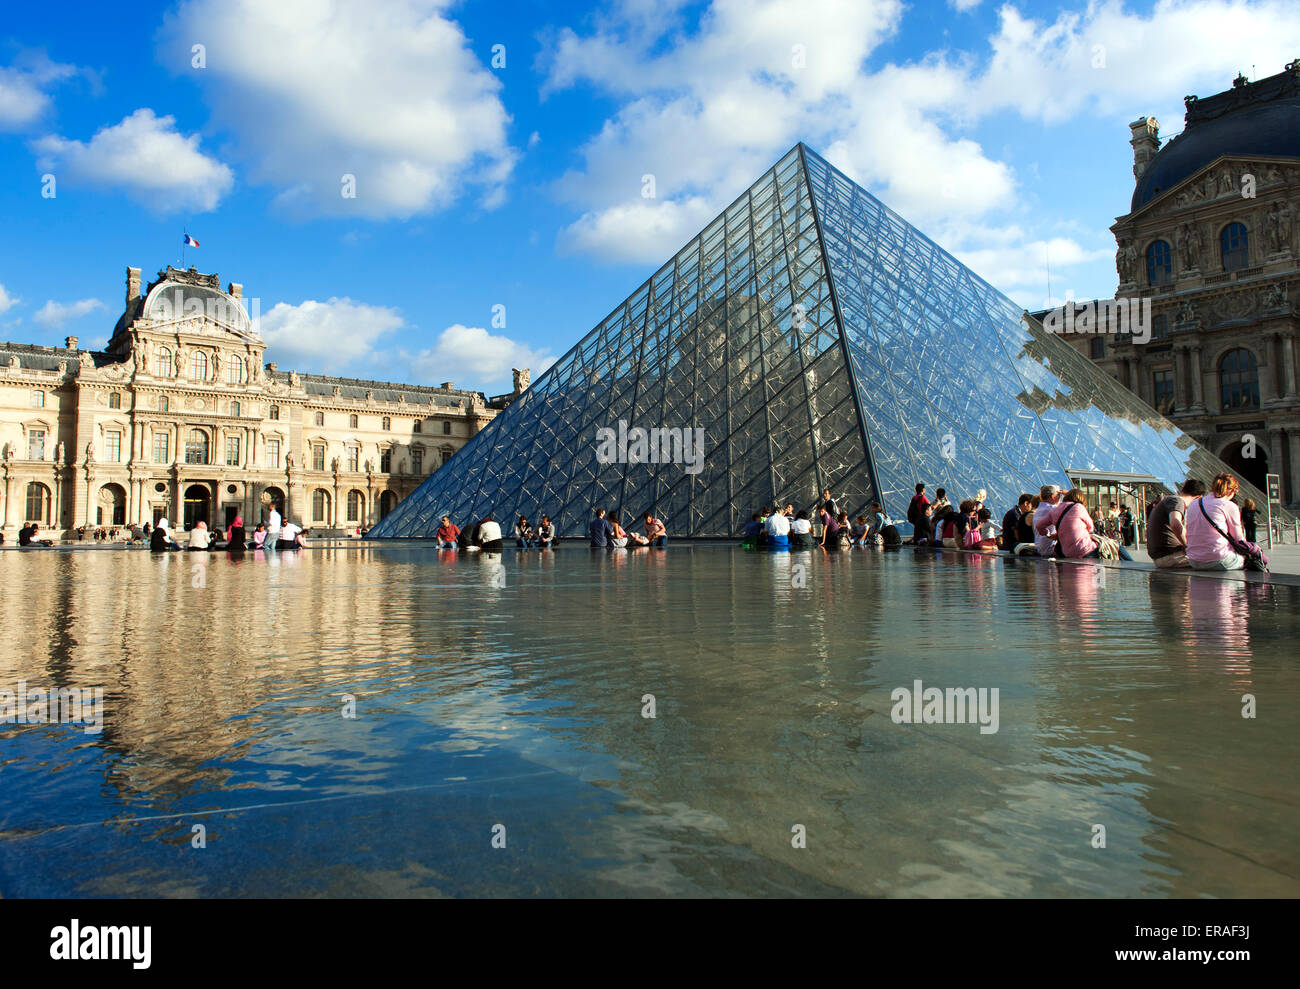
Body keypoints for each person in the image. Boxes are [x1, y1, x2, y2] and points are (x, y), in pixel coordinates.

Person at [1037, 488, 1134, 560]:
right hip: (1085, 550)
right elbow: (1090, 528)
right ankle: (1131, 566)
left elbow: (1039, 526)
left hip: (1066, 551)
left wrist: (1048, 534)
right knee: (1115, 545)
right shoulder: (1078, 507)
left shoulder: (1055, 510)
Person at [1186, 473, 1247, 570]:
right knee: (1246, 561)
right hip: (1218, 560)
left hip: (1194, 560)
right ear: (1231, 491)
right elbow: (1238, 539)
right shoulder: (1229, 505)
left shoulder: (1194, 503)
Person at [1146, 479, 1205, 569]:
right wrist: (1186, 545)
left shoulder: (1169, 500)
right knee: (1214, 561)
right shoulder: (1177, 501)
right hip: (1172, 557)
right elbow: (1175, 523)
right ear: (1198, 498)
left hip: (1162, 556)